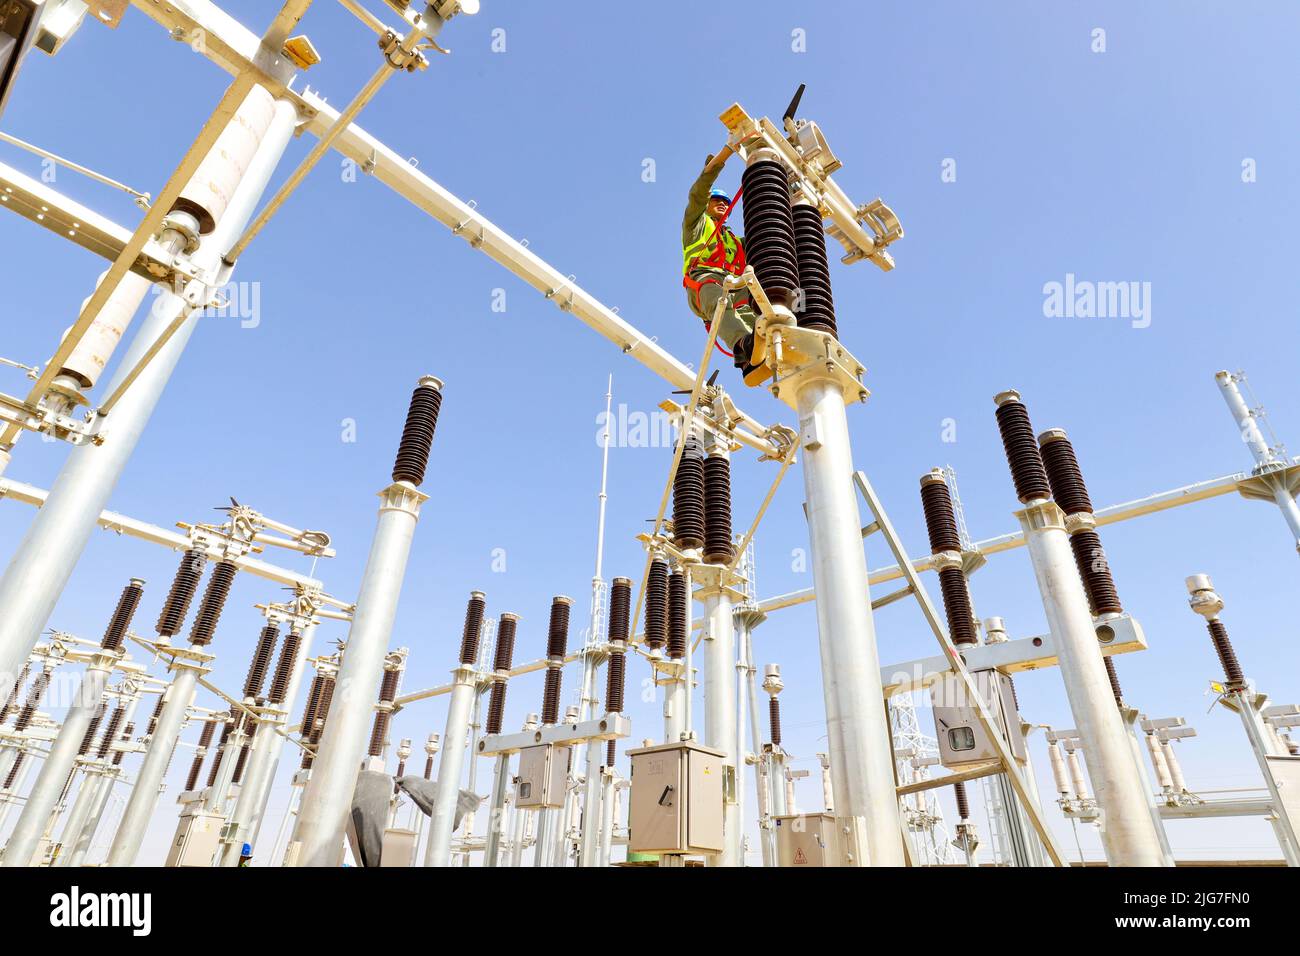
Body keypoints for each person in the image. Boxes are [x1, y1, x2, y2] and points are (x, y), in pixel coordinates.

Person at [681, 149, 762, 379]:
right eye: (717, 200)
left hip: (735, 287)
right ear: (707, 204)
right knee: (720, 300)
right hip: (704, 283)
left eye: (726, 202)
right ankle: (741, 346)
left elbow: (762, 240)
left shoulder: (735, 241)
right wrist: (716, 165)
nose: (723, 204)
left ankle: (755, 356)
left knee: (753, 310)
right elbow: (697, 195)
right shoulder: (696, 224)